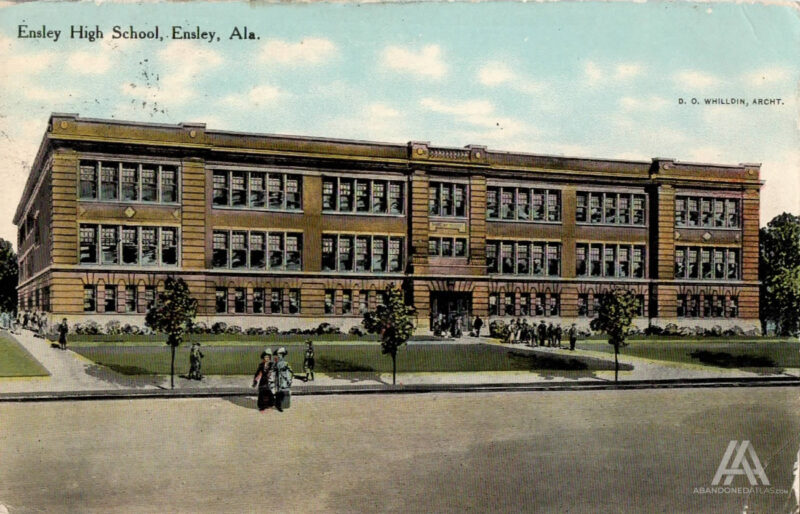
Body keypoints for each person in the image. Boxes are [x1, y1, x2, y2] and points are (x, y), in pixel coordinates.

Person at [274, 347, 294, 412]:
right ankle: (278, 404)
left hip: (283, 378)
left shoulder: (285, 363)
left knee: (282, 391)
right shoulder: (276, 362)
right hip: (278, 378)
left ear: (282, 355)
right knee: (278, 391)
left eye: (279, 354)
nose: (278, 356)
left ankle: (280, 404)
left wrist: (288, 379)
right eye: (278, 354)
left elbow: (289, 371)